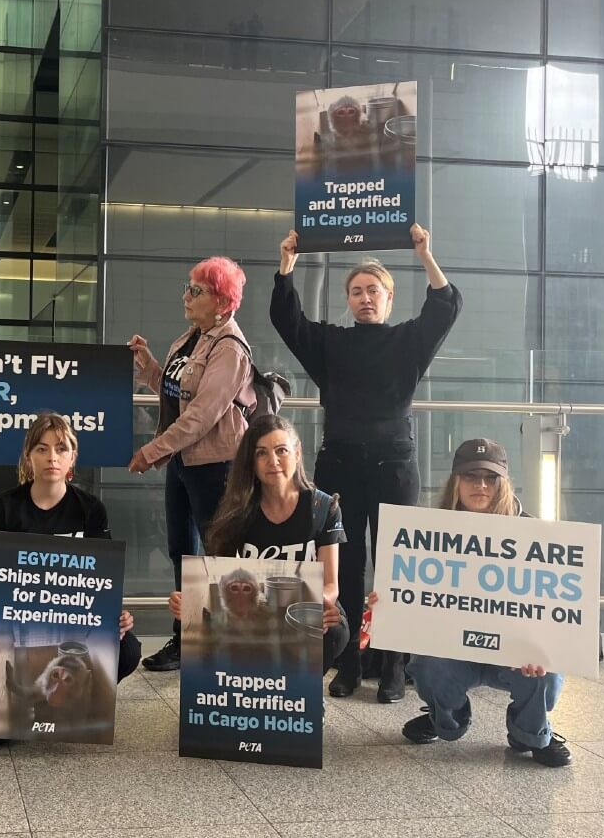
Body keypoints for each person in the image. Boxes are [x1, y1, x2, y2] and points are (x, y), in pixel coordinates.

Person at [272, 224, 461, 702]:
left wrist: (424, 254)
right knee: (347, 563)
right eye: (356, 291)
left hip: (394, 464)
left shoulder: (408, 341)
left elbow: (446, 305)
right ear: (349, 300)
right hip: (340, 463)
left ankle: (395, 665)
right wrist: (287, 264)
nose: (365, 298)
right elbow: (287, 320)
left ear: (389, 298)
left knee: (396, 567)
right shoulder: (332, 343)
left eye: (373, 290)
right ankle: (350, 663)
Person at [373, 438, 571, 767]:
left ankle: (531, 733)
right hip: (455, 649)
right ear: (456, 481)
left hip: (512, 652)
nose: (481, 485)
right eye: (470, 476)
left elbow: (552, 609)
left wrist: (543, 647)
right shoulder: (429, 533)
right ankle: (445, 718)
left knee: (545, 672)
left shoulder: (534, 534)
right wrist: (389, 602)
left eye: (490, 477)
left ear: (503, 482)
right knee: (426, 665)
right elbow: (414, 599)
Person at [0, 413, 142, 738]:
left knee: (128, 648)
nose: (52, 457)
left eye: (61, 449)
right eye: (42, 449)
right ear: (28, 456)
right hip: (14, 624)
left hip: (71, 626)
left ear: (72, 457)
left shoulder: (90, 509)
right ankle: (28, 699)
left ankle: (64, 705)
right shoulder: (2, 508)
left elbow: (101, 586)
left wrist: (116, 616)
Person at [127, 257, 255, 672]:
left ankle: (218, 643)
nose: (186, 295)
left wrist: (152, 450)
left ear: (222, 302)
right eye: (188, 287)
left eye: (196, 290)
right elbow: (176, 392)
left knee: (216, 557)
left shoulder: (230, 348)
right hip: (184, 462)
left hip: (217, 466)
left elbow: (202, 416)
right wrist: (149, 365)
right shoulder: (190, 338)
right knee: (182, 552)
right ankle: (186, 639)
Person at [168, 415, 348, 674]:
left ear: (297, 453)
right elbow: (217, 581)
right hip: (252, 610)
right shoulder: (238, 510)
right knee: (202, 625)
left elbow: (331, 585)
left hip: (300, 609)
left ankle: (302, 691)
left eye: (281, 450)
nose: (272, 461)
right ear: (251, 462)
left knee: (333, 628)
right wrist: (188, 602)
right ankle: (241, 689)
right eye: (261, 453)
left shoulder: (323, 507)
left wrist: (316, 603)